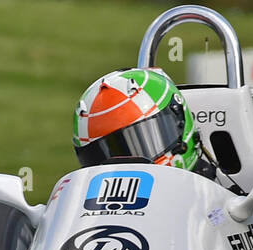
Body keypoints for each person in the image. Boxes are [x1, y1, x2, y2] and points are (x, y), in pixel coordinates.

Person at [72, 68, 220, 181]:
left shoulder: (223, 200)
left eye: (143, 139)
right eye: (106, 153)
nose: (128, 165)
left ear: (180, 123)